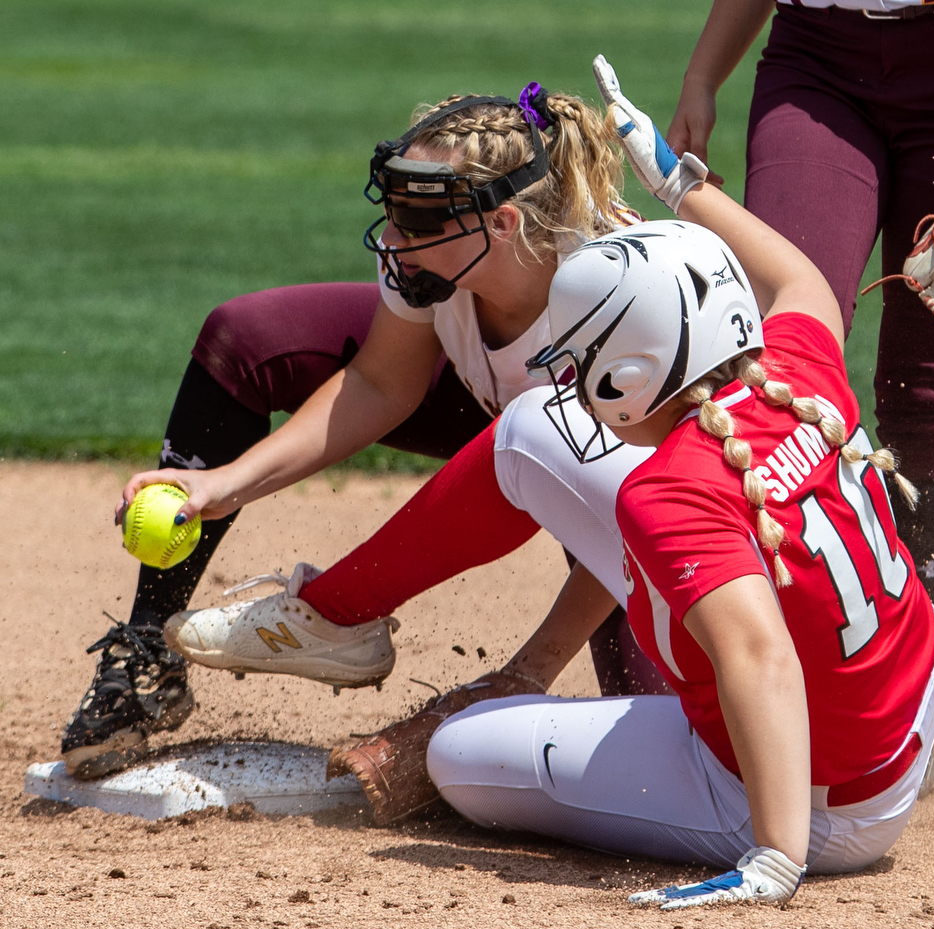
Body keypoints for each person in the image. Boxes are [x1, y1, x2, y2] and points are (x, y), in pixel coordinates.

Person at [423, 95, 934, 909]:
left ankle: (775, 832)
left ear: (629, 375)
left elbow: (760, 657)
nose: (573, 383)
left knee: (456, 755)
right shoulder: (797, 364)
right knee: (534, 440)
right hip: (914, 692)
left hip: (834, 806)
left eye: (582, 363)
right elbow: (802, 279)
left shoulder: (669, 491)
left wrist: (776, 856)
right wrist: (679, 186)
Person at [61, 81, 660, 779]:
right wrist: (225, 483)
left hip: (656, 491)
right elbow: (382, 383)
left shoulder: (616, 294)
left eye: (418, 222)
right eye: (395, 213)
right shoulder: (440, 259)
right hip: (506, 410)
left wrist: (526, 671)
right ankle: (147, 661)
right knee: (246, 339)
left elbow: (636, 515)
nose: (395, 240)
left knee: (663, 730)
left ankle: (345, 619)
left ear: (501, 223)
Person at [659, 0, 934, 629]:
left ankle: (918, 664)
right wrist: (701, 76)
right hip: (817, 65)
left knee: (927, 398)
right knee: (777, 359)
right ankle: (764, 648)